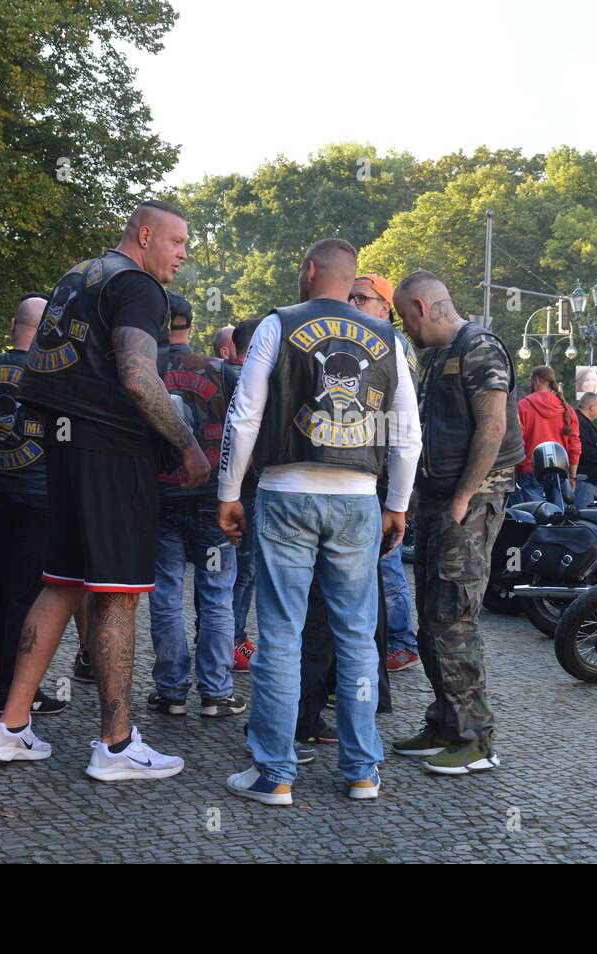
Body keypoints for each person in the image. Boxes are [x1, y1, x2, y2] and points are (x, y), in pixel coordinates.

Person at [0, 199, 209, 782]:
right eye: (178, 242)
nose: (183, 255)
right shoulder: (139, 287)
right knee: (118, 593)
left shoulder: (77, 276)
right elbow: (137, 374)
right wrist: (187, 444)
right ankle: (116, 743)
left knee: (61, 584)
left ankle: (9, 727)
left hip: (62, 446)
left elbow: (45, 368)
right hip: (111, 450)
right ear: (146, 234)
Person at [217, 238, 420, 805]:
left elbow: (245, 416)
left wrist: (229, 491)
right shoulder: (389, 339)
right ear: (350, 278)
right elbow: (408, 434)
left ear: (308, 271)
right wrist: (397, 503)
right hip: (359, 497)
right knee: (357, 636)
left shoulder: (277, 326)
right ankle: (361, 772)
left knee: (280, 634)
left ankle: (275, 774)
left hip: (285, 490)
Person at [393, 269, 524, 775]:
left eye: (406, 317)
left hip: (470, 498)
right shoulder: (438, 355)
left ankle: (476, 739)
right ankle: (446, 721)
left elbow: (492, 429)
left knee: (454, 615)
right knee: (432, 613)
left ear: (422, 308)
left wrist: (464, 496)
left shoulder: (481, 348)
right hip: (440, 495)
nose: (406, 328)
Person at [0, 293, 67, 716]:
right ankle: (19, 692)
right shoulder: (53, 375)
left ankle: (3, 680)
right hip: (39, 496)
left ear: (14, 326)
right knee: (26, 593)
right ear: (43, 331)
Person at [146, 292, 245, 718]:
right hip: (210, 500)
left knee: (165, 592)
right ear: (190, 323)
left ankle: (171, 691)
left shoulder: (140, 370)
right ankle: (216, 692)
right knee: (217, 593)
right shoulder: (220, 371)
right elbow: (244, 429)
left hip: (158, 496)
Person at [348, 272, 419, 671]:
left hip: (387, 467)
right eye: (350, 297)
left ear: (384, 307)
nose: (353, 304)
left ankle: (400, 639)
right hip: (368, 464)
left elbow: (403, 420)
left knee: (386, 557)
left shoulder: (395, 344)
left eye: (362, 298)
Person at [226, 316, 262, 672]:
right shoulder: (244, 382)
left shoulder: (225, 375)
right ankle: (232, 639)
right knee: (243, 571)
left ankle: (234, 635)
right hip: (245, 493)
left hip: (234, 491)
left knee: (235, 572)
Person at [513, 366, 578, 507]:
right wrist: (572, 475)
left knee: (535, 514)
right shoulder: (567, 409)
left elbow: (517, 441)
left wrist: (516, 469)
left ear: (536, 381)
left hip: (529, 468)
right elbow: (574, 445)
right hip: (559, 470)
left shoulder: (523, 406)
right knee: (558, 516)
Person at [574, 392, 597, 506]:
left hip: (584, 476)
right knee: (582, 515)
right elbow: (585, 449)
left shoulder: (580, 421)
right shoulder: (581, 423)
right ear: (591, 407)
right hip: (584, 477)